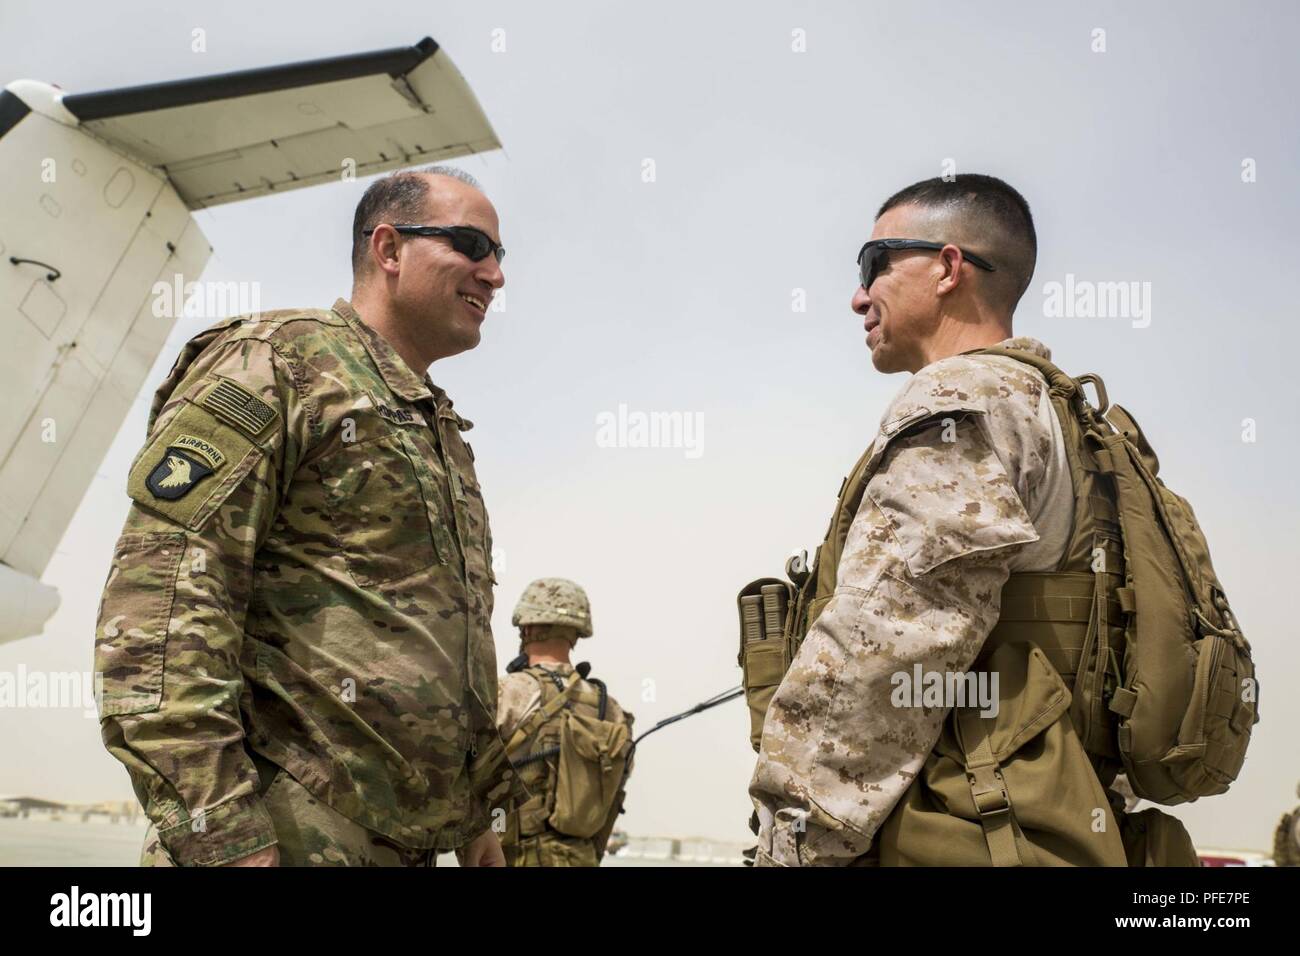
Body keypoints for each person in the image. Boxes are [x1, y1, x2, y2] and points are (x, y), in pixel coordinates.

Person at [748, 173, 1207, 867]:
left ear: (947, 267)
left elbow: (886, 649)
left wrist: (794, 844)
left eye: (875, 264)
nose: (858, 294)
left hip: (968, 832)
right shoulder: (1071, 418)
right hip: (1060, 829)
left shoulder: (964, 399)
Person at [94, 165, 516, 866]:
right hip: (283, 833)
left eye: (500, 254)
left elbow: (431, 647)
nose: (494, 274)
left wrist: (473, 822)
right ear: (388, 248)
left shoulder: (433, 424)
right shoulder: (276, 361)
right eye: (472, 244)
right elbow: (158, 614)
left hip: (404, 843)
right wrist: (224, 838)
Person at [495, 578, 634, 866]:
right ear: (576, 635)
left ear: (528, 628)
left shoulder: (508, 692)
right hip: (582, 858)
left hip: (511, 857)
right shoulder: (610, 708)